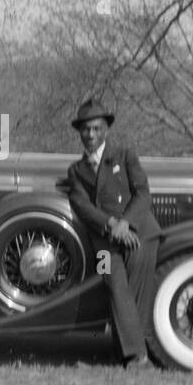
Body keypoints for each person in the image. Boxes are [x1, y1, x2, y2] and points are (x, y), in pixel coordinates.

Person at [65, 98, 160, 369]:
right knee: (115, 285)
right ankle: (137, 357)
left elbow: (143, 193)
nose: (91, 135)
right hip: (105, 242)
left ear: (106, 129)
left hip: (140, 232)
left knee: (138, 292)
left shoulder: (125, 155)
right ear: (80, 133)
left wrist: (126, 223)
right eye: (85, 130)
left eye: (96, 129)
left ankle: (131, 356)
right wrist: (111, 225)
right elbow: (82, 206)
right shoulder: (76, 171)